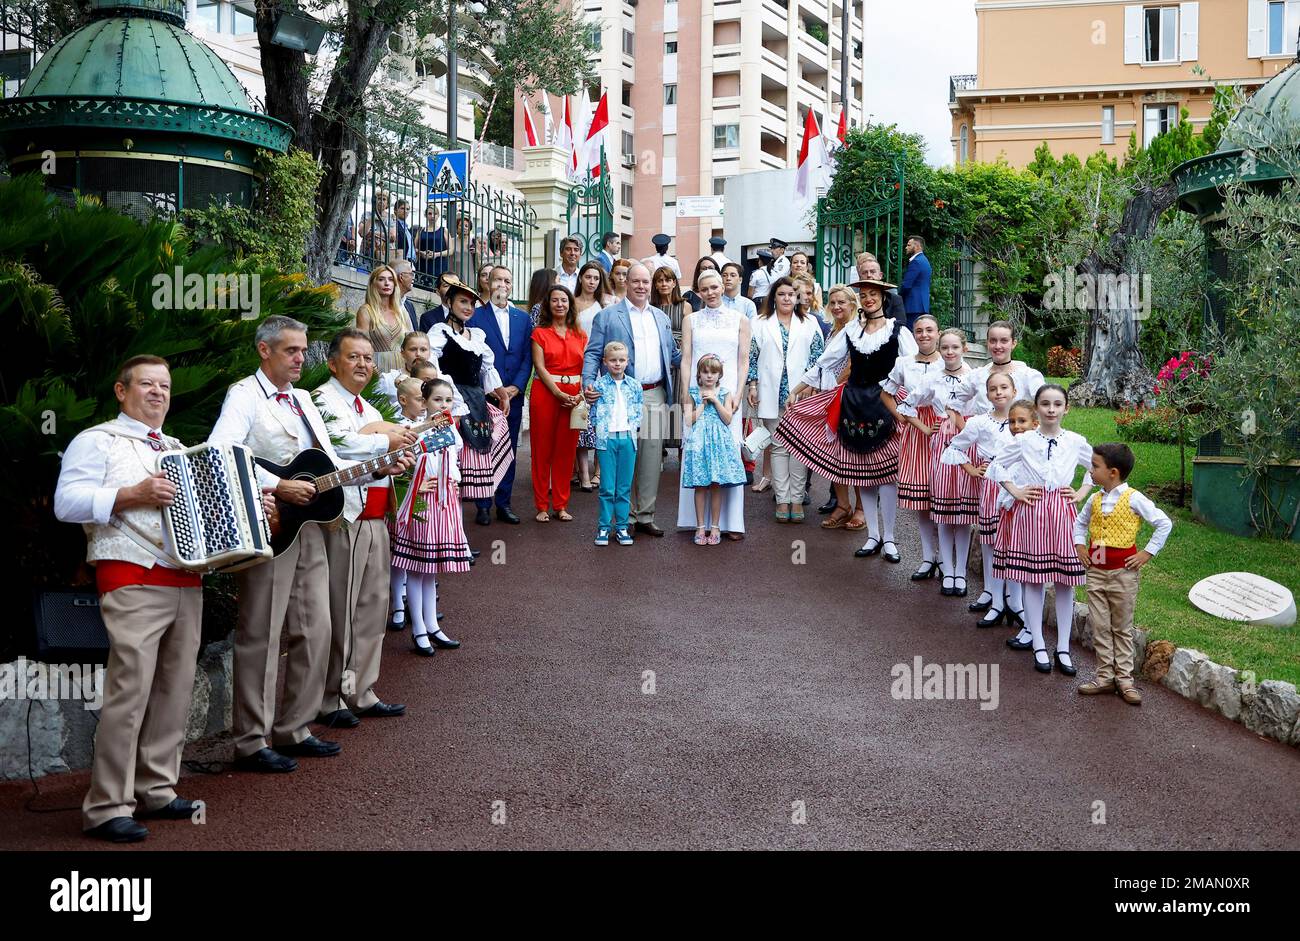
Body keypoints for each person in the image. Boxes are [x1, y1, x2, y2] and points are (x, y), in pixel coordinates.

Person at [208, 316, 407, 772]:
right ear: (264, 351)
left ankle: (294, 728)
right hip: (271, 527)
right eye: (291, 351)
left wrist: (377, 468)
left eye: (303, 350)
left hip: (312, 529)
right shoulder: (244, 395)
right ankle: (251, 741)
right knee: (261, 632)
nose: (302, 358)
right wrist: (277, 484)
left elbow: (328, 464)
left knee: (317, 627)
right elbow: (221, 451)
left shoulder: (301, 400)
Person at [53, 355, 208, 842]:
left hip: (187, 580)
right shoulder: (97, 440)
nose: (159, 392)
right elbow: (66, 503)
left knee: (174, 692)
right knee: (130, 694)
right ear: (122, 391)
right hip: (131, 575)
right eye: (147, 384)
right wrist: (131, 494)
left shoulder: (180, 448)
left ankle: (156, 789)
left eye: (165, 385)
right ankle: (106, 807)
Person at [312, 329, 415, 728]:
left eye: (368, 358)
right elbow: (338, 446)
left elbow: (375, 455)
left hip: (375, 518)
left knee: (372, 609)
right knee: (341, 610)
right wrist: (385, 443)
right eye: (353, 357)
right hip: (346, 519)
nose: (363, 364)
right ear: (332, 362)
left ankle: (362, 690)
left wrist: (394, 462)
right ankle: (330, 697)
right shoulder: (321, 400)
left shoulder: (370, 411)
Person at [778, 279, 919, 560]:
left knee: (887, 478)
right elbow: (825, 363)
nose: (868, 299)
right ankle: (873, 536)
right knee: (862, 473)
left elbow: (914, 368)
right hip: (854, 404)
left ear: (883, 298)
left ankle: (890, 539)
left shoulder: (897, 331)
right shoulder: (852, 331)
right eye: (864, 295)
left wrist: (920, 401)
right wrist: (796, 390)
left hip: (885, 403)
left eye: (873, 294)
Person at [988, 384, 1094, 676]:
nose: (1051, 409)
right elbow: (997, 465)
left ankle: (1063, 647)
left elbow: (1095, 466)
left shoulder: (1074, 441)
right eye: (1045, 404)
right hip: (1032, 511)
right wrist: (1016, 490)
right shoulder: (1025, 441)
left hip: (1061, 512)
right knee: (1033, 580)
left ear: (1066, 408)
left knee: (1064, 581)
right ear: (1037, 408)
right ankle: (1037, 643)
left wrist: (1082, 491)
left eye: (1057, 404)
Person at [582, 262, 682, 537]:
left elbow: (674, 354)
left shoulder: (661, 317)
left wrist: (701, 356)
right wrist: (588, 382)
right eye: (635, 281)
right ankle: (623, 518)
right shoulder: (607, 316)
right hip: (619, 396)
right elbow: (593, 353)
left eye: (645, 282)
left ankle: (645, 515)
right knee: (625, 457)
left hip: (655, 393)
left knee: (651, 457)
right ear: (626, 283)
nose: (640, 286)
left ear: (651, 285)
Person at [1074, 443, 1173, 705]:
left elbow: (1164, 523)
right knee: (1100, 626)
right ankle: (1104, 677)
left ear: (1113, 472)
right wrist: (1080, 545)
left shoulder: (1134, 499)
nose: (1091, 470)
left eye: (1095, 466)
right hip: (1096, 572)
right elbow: (1080, 523)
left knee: (1121, 627)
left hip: (1123, 574)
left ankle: (1125, 680)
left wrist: (1147, 553)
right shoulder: (1094, 499)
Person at [391, 378, 471, 656]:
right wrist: (416, 482)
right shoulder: (414, 431)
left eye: (448, 400)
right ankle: (419, 630)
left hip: (443, 501)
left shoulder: (450, 430)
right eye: (437, 400)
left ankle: (432, 625)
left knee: (431, 570)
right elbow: (401, 465)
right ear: (424, 402)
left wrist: (454, 482)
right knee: (417, 567)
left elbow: (453, 462)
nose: (443, 405)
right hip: (422, 502)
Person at [896, 328, 974, 596]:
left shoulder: (974, 377)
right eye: (945, 348)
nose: (950, 352)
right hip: (941, 444)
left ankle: (961, 571)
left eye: (955, 347)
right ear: (940, 351)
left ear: (964, 348)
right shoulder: (933, 379)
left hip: (966, 441)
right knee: (941, 508)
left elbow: (987, 409)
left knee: (963, 510)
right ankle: (947, 570)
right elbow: (906, 406)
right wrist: (927, 429)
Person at [940, 371, 1019, 626]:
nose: (999, 392)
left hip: (1017, 489)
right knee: (990, 543)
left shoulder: (1023, 420)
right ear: (987, 395)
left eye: (1004, 387)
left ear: (1014, 392)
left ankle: (1014, 602)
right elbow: (955, 446)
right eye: (993, 389)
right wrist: (972, 469)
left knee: (1015, 544)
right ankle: (995, 600)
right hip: (992, 487)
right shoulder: (979, 422)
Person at [427, 276, 514, 509]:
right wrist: (450, 401)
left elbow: (487, 369)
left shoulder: (477, 335)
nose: (468, 307)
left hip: (476, 402)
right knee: (451, 462)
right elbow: (433, 370)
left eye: (472, 304)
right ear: (449, 302)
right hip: (451, 402)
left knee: (476, 456)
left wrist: (503, 395)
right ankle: (445, 521)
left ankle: (471, 517)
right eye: (463, 302)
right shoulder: (439, 332)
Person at [677, 270, 751, 539]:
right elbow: (686, 358)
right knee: (697, 449)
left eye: (714, 287)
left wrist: (739, 392)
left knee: (727, 454)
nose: (710, 292)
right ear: (698, 292)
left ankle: (730, 523)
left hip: (727, 394)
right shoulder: (691, 319)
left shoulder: (740, 319)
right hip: (698, 391)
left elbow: (744, 359)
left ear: (723, 286)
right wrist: (685, 392)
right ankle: (696, 521)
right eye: (704, 289)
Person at [747, 277, 825, 522]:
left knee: (798, 448)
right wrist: (753, 385)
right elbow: (751, 356)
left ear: (797, 297)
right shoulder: (760, 323)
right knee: (779, 446)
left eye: (791, 294)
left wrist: (810, 385)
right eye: (781, 294)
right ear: (774, 297)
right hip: (771, 392)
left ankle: (797, 499)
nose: (787, 298)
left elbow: (818, 356)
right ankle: (782, 499)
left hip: (801, 394)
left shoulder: (810, 322)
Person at [468, 265, 533, 525]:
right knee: (484, 448)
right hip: (485, 396)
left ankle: (504, 503)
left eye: (507, 280)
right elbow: (473, 356)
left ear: (511, 285)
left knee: (509, 450)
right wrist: (492, 388)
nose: (502, 285)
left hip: (513, 396)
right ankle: (483, 504)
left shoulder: (522, 319)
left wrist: (516, 386)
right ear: (488, 284)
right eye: (497, 280)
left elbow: (527, 357)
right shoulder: (475, 317)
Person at [881, 314, 941, 567]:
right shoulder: (904, 362)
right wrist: (901, 416)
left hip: (941, 430)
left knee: (942, 496)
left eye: (929, 330)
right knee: (922, 499)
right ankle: (928, 558)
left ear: (938, 334)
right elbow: (886, 394)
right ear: (914, 335)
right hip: (916, 431)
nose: (924, 335)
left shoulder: (948, 361)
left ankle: (944, 560)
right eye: (919, 331)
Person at [813, 286, 870, 530]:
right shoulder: (832, 330)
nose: (836, 307)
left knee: (856, 454)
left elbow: (852, 364)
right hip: (832, 396)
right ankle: (843, 505)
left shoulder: (860, 328)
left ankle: (861, 509)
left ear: (853, 305)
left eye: (841, 302)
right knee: (835, 452)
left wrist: (835, 386)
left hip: (853, 396)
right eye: (833, 302)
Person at [529, 285, 586, 522]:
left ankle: (561, 505)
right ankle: (542, 505)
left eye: (564, 300)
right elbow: (539, 367)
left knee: (566, 451)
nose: (560, 304)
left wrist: (580, 394)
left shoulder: (580, 334)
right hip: (546, 393)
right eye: (555, 300)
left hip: (573, 397)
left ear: (570, 304)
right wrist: (558, 392)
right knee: (542, 450)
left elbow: (585, 367)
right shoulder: (539, 333)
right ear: (548, 305)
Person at [681, 354, 748, 545]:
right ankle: (700, 527)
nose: (709, 376)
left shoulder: (725, 393)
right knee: (700, 485)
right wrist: (703, 404)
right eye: (705, 372)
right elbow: (688, 420)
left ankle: (716, 526)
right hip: (699, 443)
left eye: (714, 372)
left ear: (720, 375)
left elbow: (727, 419)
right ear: (699, 374)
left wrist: (716, 401)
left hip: (718, 443)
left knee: (716, 484)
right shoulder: (692, 393)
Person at [590, 341, 643, 547]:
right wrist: (599, 429)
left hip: (628, 439)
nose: (617, 364)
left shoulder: (635, 385)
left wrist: (633, 429)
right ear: (605, 361)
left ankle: (621, 526)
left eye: (621, 360)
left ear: (627, 361)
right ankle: (604, 526)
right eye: (613, 360)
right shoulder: (599, 386)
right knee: (607, 486)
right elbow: (593, 413)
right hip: (607, 440)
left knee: (623, 486)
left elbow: (638, 410)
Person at [572, 261, 613, 491]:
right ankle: (582, 473)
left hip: (600, 367)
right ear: (581, 278)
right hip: (577, 366)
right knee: (580, 422)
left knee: (601, 422)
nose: (592, 281)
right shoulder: (572, 303)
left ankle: (599, 471)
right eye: (588, 277)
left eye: (596, 278)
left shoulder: (606, 304)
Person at [953, 320, 1045, 417]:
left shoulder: (1028, 376)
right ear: (987, 343)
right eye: (993, 341)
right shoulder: (977, 375)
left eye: (1004, 341)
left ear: (1013, 343)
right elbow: (953, 401)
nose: (998, 346)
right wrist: (964, 426)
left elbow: (1046, 404)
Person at [354, 264, 408, 372]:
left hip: (402, 368)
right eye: (381, 279)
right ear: (373, 284)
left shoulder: (401, 312)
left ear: (395, 284)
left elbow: (411, 341)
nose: (387, 283)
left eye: (391, 279)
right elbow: (361, 345)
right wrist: (371, 367)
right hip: (376, 367)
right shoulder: (366, 311)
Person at [859, 253, 906, 321]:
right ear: (860, 277)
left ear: (880, 275)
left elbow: (900, 323)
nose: (869, 275)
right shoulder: (854, 299)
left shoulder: (894, 299)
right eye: (865, 272)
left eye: (872, 272)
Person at [651, 265, 689, 348]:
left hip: (680, 350)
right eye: (660, 281)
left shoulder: (685, 306)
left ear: (674, 283)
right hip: (658, 349)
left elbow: (690, 334)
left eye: (668, 280)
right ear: (656, 285)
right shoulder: (650, 308)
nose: (664, 284)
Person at [898, 235, 932, 328]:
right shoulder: (924, 260)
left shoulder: (916, 262)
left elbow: (906, 285)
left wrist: (898, 298)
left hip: (913, 306)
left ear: (917, 246)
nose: (906, 247)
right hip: (922, 305)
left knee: (910, 333)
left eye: (909, 245)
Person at [416, 203, 451, 280]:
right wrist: (421, 253)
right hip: (423, 265)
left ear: (438, 215)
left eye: (435, 213)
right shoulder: (420, 230)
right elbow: (414, 248)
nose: (432, 216)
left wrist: (436, 254)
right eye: (429, 213)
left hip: (439, 266)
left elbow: (451, 250)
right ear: (425, 215)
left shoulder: (444, 230)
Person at [359, 190, 395, 264]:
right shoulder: (367, 215)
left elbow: (392, 237)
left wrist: (372, 233)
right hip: (367, 253)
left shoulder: (391, 218)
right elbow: (362, 233)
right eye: (379, 198)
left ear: (387, 203)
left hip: (384, 254)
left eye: (384, 199)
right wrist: (371, 218)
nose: (381, 201)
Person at [393, 260, 422, 330]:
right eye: (411, 274)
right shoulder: (386, 303)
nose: (414, 278)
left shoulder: (409, 305)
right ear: (401, 277)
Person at [392, 198, 417, 263]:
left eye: (407, 209)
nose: (405, 211)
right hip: (400, 260)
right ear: (395, 210)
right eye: (402, 208)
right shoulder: (393, 224)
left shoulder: (407, 228)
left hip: (411, 261)